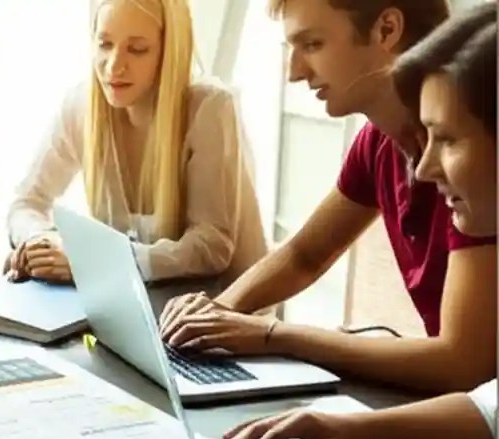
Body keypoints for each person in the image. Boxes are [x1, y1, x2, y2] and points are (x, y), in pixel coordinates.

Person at [218, 3, 497, 439]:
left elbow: (466, 362)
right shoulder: (396, 152)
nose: (422, 165)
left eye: (446, 140)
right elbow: (494, 405)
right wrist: (356, 428)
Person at [160, 0, 496, 395]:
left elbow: (460, 363)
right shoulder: (377, 144)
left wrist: (274, 334)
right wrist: (214, 316)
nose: (295, 72)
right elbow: (305, 255)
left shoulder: (472, 170)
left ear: (386, 29)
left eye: (313, 44)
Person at [5, 0, 267, 286]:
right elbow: (26, 203)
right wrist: (40, 241)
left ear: (169, 52)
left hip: (222, 310)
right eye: (105, 44)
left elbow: (210, 247)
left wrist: (94, 261)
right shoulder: (80, 106)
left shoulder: (210, 108)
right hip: (132, 303)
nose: (114, 66)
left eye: (137, 49)